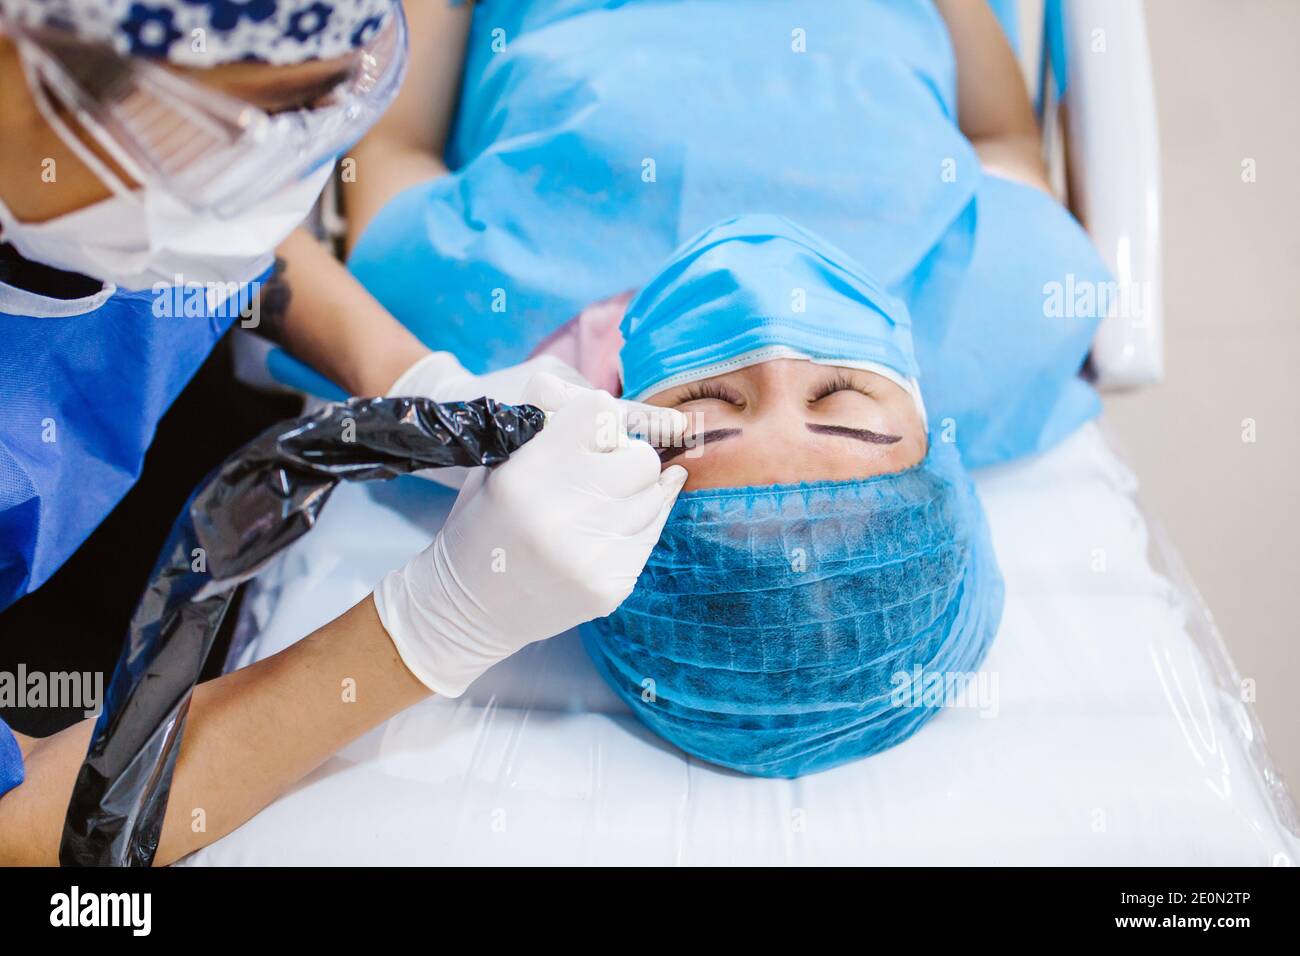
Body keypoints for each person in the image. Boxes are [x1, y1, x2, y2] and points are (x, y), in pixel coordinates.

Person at [0, 0, 692, 861]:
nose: (270, 169)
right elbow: (20, 830)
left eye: (312, 113)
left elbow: (216, 208)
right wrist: (420, 635)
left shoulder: (141, 157)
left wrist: (415, 382)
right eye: (235, 132)